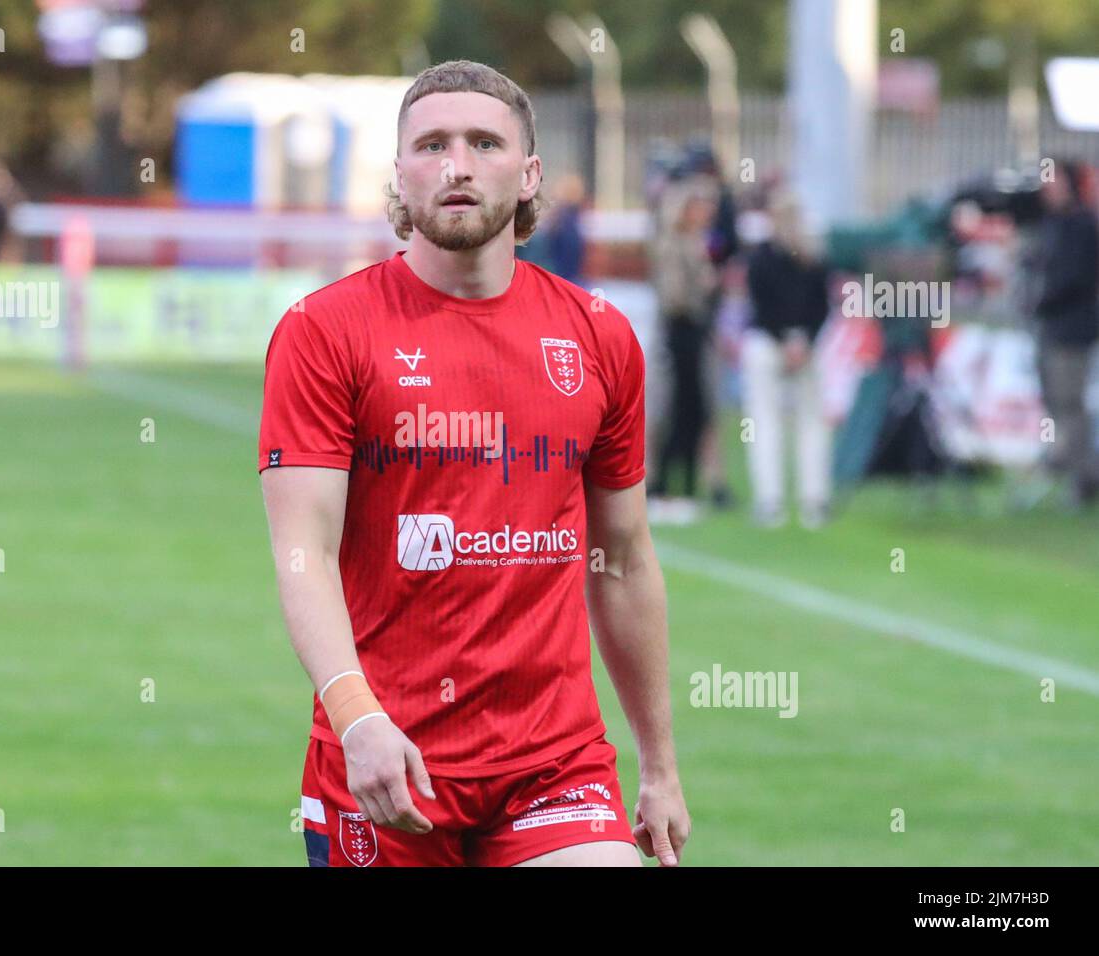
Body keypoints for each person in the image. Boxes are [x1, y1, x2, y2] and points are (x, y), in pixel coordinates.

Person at [258, 60, 689, 868]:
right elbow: (302, 552)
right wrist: (358, 718)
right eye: (432, 145)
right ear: (399, 174)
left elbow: (624, 559)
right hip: (386, 756)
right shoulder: (324, 332)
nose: (457, 164)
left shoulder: (598, 336)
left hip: (553, 763)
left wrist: (658, 767)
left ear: (528, 175)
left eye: (484, 143)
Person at [741, 193, 832, 529]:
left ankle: (778, 501)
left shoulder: (776, 257)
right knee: (801, 424)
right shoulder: (806, 256)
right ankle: (806, 501)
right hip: (782, 345)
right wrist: (799, 340)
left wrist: (796, 341)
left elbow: (764, 305)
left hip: (778, 344)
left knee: (773, 422)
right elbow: (815, 308)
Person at [646, 176, 719, 520]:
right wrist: (702, 289)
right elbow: (675, 297)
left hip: (692, 334)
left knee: (695, 410)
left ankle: (685, 487)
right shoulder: (675, 245)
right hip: (680, 335)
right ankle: (663, 487)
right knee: (675, 409)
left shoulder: (695, 243)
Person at [1027, 160, 1099, 509]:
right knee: (1055, 404)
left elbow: (1075, 279)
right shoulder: (1051, 225)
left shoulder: (1082, 226)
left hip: (1072, 330)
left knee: (1069, 404)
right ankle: (1069, 468)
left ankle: (1082, 477)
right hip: (1050, 327)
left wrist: (1043, 299)